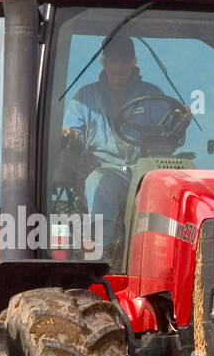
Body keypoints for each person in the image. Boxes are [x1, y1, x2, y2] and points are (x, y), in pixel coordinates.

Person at [62, 34, 188, 259]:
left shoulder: (153, 96)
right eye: (113, 61)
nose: (119, 67)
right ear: (105, 62)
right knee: (98, 181)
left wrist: (179, 123)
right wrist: (71, 135)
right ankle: (103, 254)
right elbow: (73, 132)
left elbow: (168, 134)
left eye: (125, 61)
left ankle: (169, 255)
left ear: (133, 63)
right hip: (105, 168)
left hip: (145, 169)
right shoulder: (86, 97)